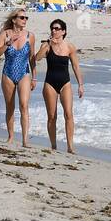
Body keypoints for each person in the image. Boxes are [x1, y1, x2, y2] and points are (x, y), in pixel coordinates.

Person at [33, 18, 84, 153]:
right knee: (52, 116)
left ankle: (70, 146)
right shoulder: (47, 45)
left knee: (68, 114)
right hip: (50, 83)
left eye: (56, 28)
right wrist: (47, 45)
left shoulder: (70, 46)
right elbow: (36, 58)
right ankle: (54, 145)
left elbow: (75, 66)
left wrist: (80, 84)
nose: (53, 31)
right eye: (52, 28)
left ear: (63, 31)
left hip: (65, 83)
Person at [0, 8, 36, 146]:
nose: (25, 20)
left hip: (24, 73)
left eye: (26, 18)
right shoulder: (5, 34)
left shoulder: (30, 36)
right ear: (14, 20)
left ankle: (25, 140)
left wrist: (34, 77)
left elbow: (32, 58)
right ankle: (11, 137)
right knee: (10, 106)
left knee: (24, 105)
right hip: (8, 73)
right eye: (22, 17)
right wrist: (7, 44)